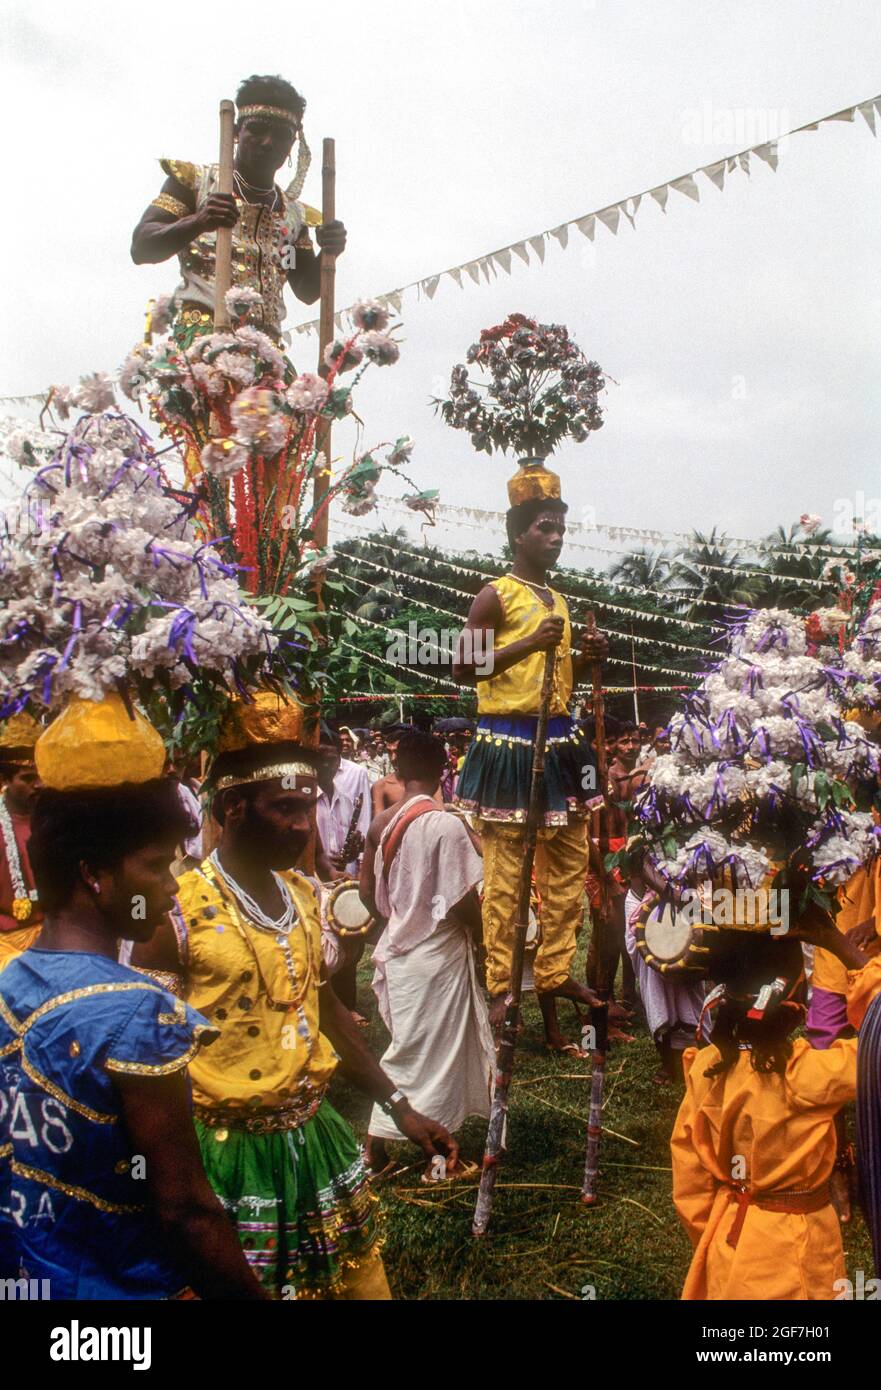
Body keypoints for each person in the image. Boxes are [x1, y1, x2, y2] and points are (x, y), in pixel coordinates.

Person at [132, 696, 458, 1298]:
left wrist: (399, 1106)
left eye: (309, 807)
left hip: (317, 1139)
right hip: (224, 1156)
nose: (304, 825)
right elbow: (151, 1055)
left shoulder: (306, 898)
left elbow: (329, 1013)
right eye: (285, 808)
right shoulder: (175, 911)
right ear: (234, 808)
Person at [0, 695, 263, 1298]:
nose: (171, 889)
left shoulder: (11, 982)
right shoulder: (137, 1013)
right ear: (95, 874)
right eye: (154, 866)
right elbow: (184, 1212)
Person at [452, 464, 608, 1039]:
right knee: (509, 875)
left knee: (569, 865)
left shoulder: (560, 600)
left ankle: (554, 969)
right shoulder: (494, 594)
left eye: (561, 528)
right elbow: (464, 666)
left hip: (562, 739)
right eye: (545, 528)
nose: (557, 537)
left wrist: (588, 656)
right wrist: (528, 642)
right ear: (518, 533)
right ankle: (501, 985)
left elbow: (560, 672)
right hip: (510, 741)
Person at [671, 917, 880, 1301]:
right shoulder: (810, 1074)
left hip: (728, 1246)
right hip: (800, 1251)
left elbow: (691, 1186)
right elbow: (878, 1032)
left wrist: (719, 1235)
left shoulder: (704, 1068)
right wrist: (842, 948)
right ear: (796, 999)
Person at [359, 731, 494, 1179]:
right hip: (436, 952)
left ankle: (375, 1151)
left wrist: (398, 918)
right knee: (426, 1058)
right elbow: (458, 898)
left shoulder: (381, 825)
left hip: (400, 950)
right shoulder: (446, 823)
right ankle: (437, 1157)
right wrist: (482, 932)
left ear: (396, 771)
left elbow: (365, 895)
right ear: (444, 770)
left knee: (408, 1051)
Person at [130, 74, 347, 345]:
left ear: (292, 145)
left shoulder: (294, 216)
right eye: (257, 129)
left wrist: (329, 252)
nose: (268, 142)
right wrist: (199, 221)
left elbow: (306, 288)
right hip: (203, 341)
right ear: (235, 133)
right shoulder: (195, 183)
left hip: (267, 349)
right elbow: (141, 246)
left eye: (281, 135)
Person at [586, 721, 647, 1032]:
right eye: (607, 743)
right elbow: (588, 834)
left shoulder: (616, 774)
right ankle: (597, 1012)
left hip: (619, 857)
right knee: (604, 936)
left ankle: (614, 1002)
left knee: (622, 932)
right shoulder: (592, 776)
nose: (614, 749)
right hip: (600, 858)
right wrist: (606, 874)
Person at [0, 713, 44, 966]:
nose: (37, 785)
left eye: (39, 776)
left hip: (52, 936)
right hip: (5, 945)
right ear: (5, 780)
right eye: (27, 778)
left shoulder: (52, 819)